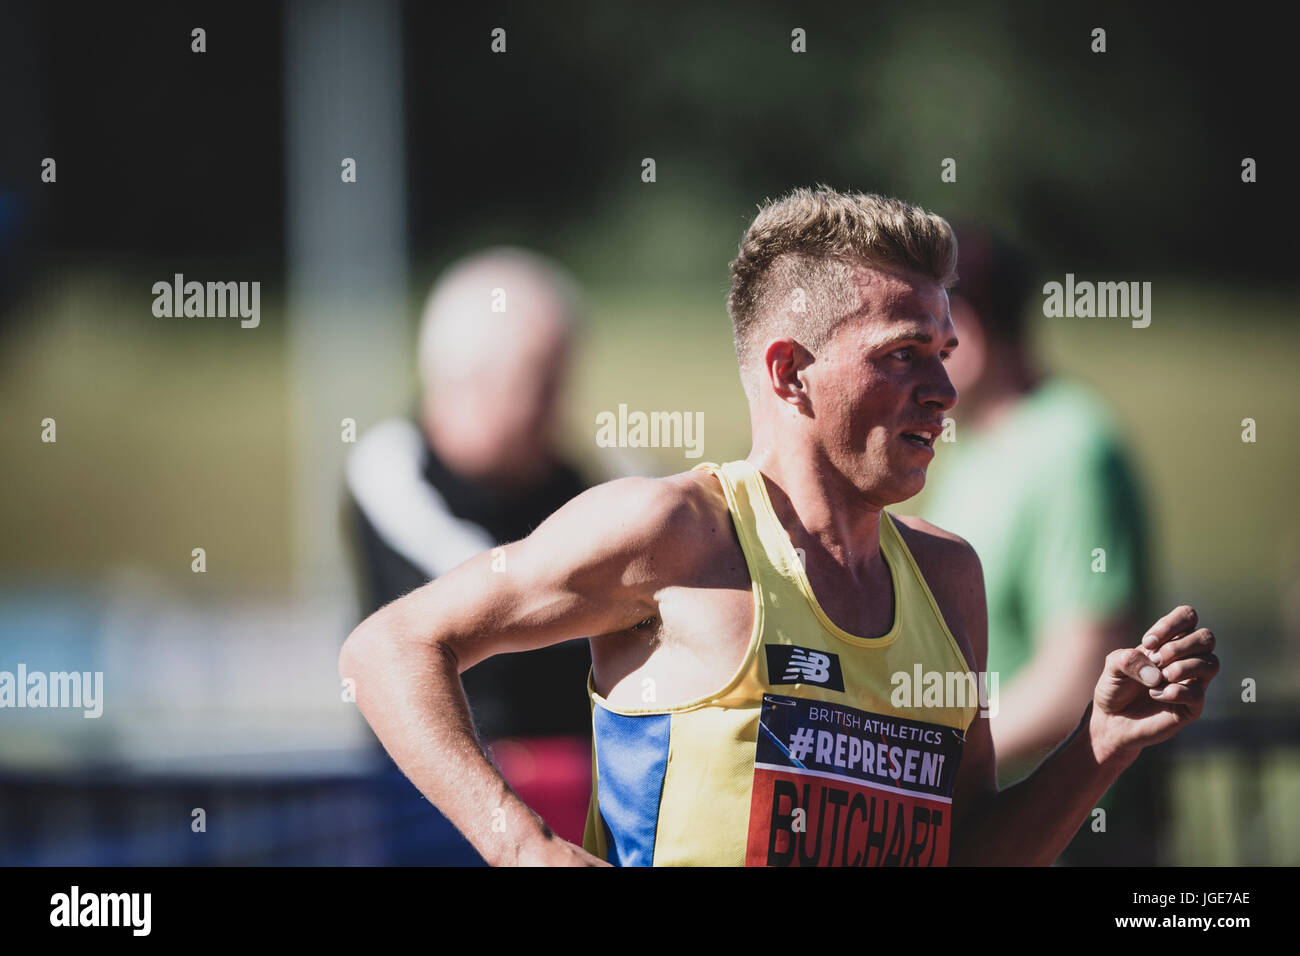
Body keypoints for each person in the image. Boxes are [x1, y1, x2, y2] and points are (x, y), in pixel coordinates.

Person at [339, 187, 1219, 866]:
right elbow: (390, 647)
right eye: (903, 355)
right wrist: (518, 842)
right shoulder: (675, 533)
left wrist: (1097, 747)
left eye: (945, 355)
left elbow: (970, 854)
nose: (945, 393)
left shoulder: (950, 580)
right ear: (791, 371)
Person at [919, 226, 1157, 863]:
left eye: (923, 328)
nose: (916, 357)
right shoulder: (970, 450)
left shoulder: (1073, 450)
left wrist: (923, 763)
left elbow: (1079, 678)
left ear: (963, 320)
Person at [345, 247, 595, 847]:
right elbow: (476, 585)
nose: (557, 407)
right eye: (540, 383)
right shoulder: (390, 468)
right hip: (432, 799)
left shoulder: (588, 480)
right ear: (466, 380)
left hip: (574, 797)